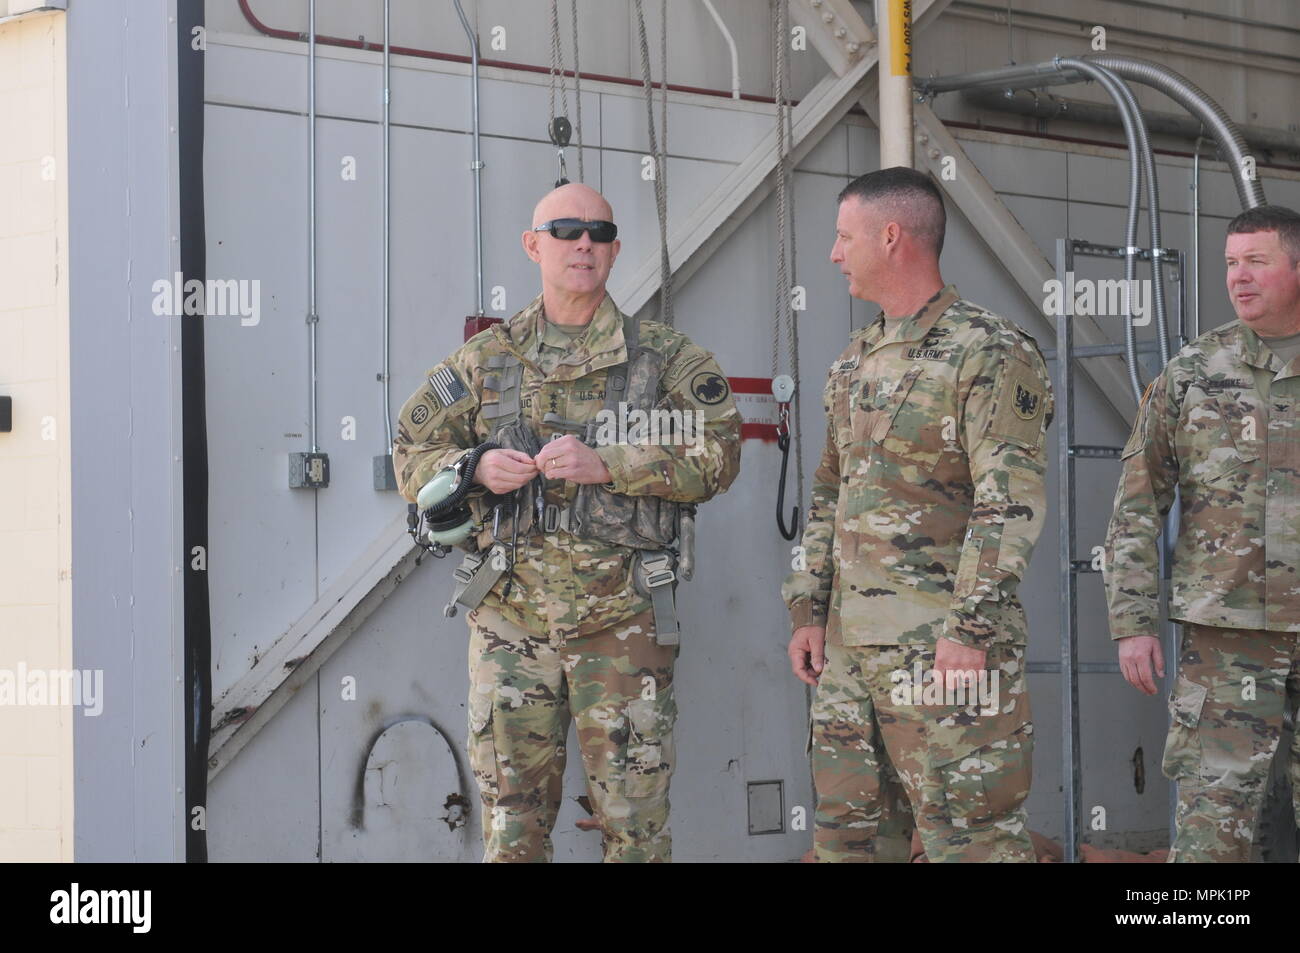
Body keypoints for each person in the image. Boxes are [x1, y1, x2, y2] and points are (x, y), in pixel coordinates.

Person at [392, 183, 740, 863]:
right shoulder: (486, 360)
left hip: (622, 626)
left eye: (599, 232)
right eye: (567, 229)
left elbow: (721, 452)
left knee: (635, 832)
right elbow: (411, 452)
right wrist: (475, 465)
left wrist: (609, 462)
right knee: (512, 831)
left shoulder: (665, 360)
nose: (584, 243)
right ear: (534, 245)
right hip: (509, 623)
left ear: (613, 251)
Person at [783, 167, 1054, 862]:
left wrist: (970, 627)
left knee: (969, 840)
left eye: (844, 237)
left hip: (943, 648)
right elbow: (827, 493)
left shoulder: (989, 351)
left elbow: (1009, 498)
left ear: (892, 235)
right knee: (849, 835)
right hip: (851, 651)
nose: (834, 254)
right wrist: (809, 610)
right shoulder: (852, 361)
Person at [1104, 204, 1300, 863]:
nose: (1239, 277)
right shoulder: (1192, 374)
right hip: (1226, 642)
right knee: (1213, 830)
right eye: (1230, 263)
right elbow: (1137, 502)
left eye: (1257, 261)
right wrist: (1132, 620)